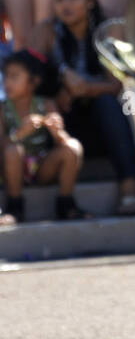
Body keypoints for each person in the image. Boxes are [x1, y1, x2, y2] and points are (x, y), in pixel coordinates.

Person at [28, 0, 135, 215]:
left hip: (103, 126)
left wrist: (84, 89)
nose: (66, 5)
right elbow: (32, 80)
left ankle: (129, 191)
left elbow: (119, 84)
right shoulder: (46, 31)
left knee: (109, 105)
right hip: (63, 125)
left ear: (90, 0)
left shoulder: (110, 30)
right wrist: (61, 77)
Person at [0, 48, 88, 225]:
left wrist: (58, 132)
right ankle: (14, 207)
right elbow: (2, 145)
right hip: (10, 168)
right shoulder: (3, 109)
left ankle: (66, 204)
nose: (7, 82)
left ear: (34, 81)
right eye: (6, 76)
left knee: (73, 147)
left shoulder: (46, 104)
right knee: (12, 150)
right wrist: (19, 134)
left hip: (41, 168)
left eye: (14, 77)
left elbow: (62, 142)